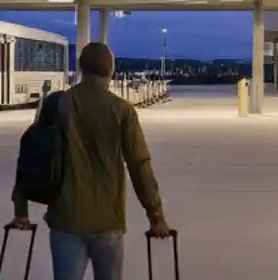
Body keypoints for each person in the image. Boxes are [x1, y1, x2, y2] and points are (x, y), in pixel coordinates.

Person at [11, 42, 172, 280]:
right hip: (108, 220)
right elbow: (139, 165)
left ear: (80, 68)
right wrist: (156, 216)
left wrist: (21, 211)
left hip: (66, 218)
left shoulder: (58, 104)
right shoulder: (122, 110)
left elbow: (32, 155)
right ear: (111, 70)